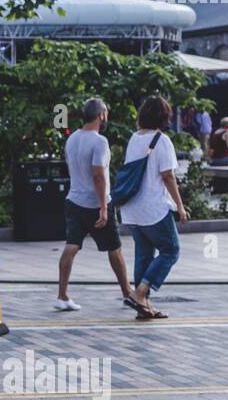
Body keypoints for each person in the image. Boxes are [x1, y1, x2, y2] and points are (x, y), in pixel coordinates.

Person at [56, 97, 140, 313]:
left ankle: (62, 295)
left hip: (74, 200)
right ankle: (127, 293)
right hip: (95, 203)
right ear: (101, 115)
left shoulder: (72, 138)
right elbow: (98, 177)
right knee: (115, 248)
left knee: (72, 245)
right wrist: (103, 208)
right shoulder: (99, 141)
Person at [120, 96, 187, 320]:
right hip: (154, 208)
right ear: (164, 116)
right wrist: (180, 205)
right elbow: (167, 175)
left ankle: (144, 306)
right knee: (171, 250)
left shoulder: (133, 138)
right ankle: (139, 293)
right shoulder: (163, 140)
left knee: (144, 254)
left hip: (132, 209)